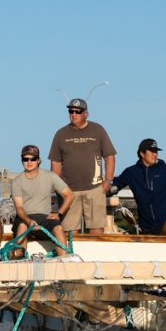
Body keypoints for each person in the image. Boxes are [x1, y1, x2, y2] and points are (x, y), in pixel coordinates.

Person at [48, 98, 117, 234]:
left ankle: (96, 255)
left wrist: (108, 180)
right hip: (69, 190)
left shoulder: (98, 130)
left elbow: (109, 156)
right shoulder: (61, 134)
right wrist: (58, 186)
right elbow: (55, 163)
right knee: (69, 230)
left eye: (77, 112)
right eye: (71, 111)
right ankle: (70, 255)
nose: (74, 114)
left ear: (86, 113)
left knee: (96, 228)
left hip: (95, 188)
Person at [112, 138, 166, 235]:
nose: (155, 154)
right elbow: (116, 185)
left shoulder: (165, 169)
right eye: (152, 151)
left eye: (156, 152)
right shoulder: (131, 172)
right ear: (142, 153)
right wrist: (107, 190)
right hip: (146, 227)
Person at [10, 145, 75, 256]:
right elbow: (19, 208)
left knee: (59, 228)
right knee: (22, 227)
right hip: (25, 217)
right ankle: (19, 261)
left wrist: (59, 214)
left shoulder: (50, 176)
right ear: (22, 161)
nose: (29, 162)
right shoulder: (17, 181)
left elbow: (70, 195)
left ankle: (65, 263)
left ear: (38, 160)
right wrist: (28, 221)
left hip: (45, 218)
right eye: (25, 159)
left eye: (33, 159)